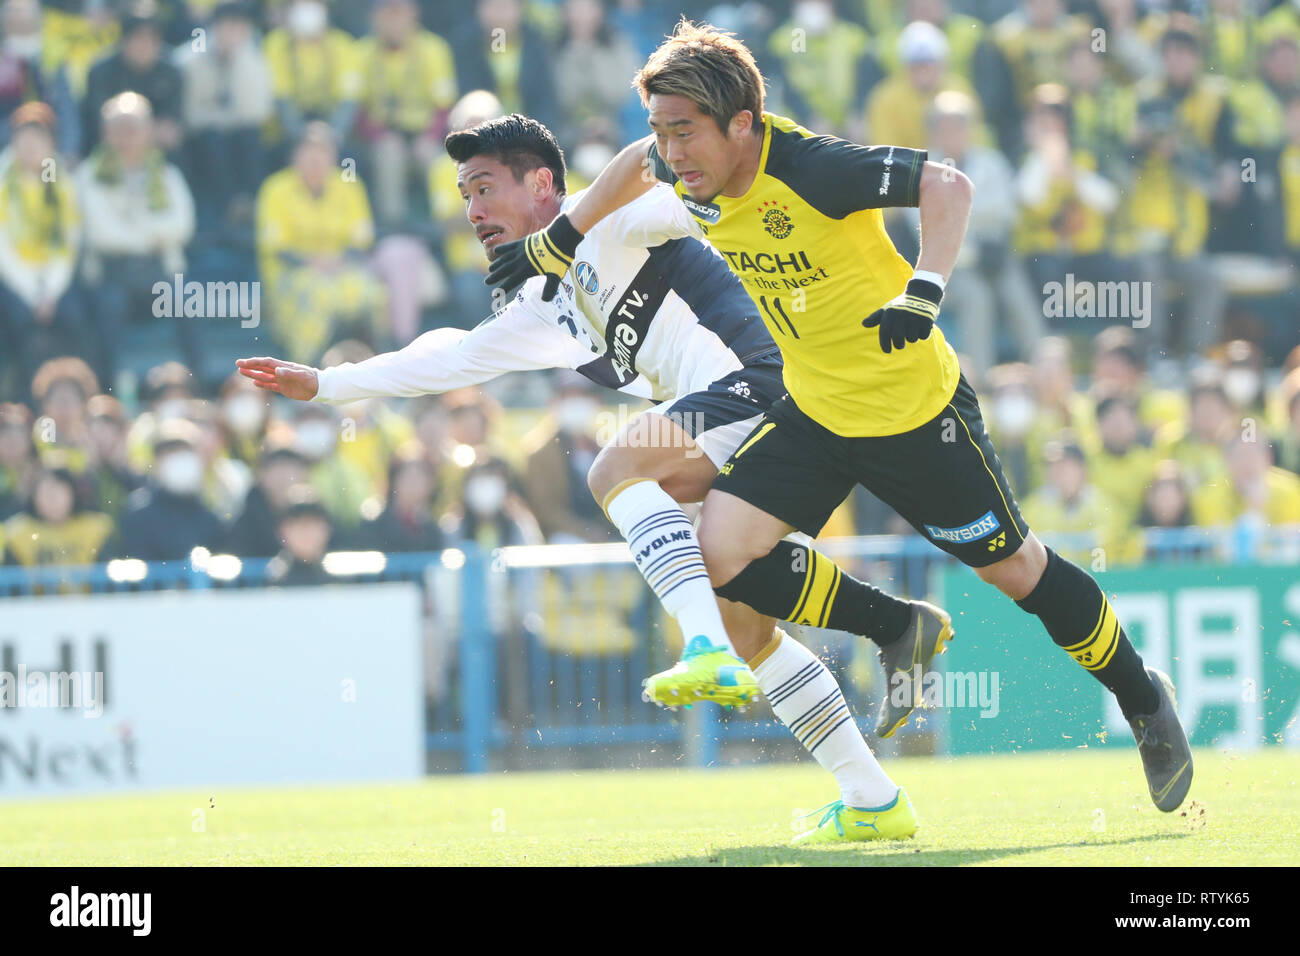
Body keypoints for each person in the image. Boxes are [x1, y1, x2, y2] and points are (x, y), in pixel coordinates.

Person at [487, 20, 1195, 840]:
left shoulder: (811, 167)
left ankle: (1143, 699)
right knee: (720, 556)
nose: (669, 151)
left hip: (912, 413)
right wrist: (562, 237)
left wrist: (924, 289)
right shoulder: (678, 166)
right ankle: (898, 627)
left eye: (684, 131)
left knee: (1018, 571)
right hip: (814, 411)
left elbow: (951, 186)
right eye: (660, 130)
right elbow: (629, 165)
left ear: (742, 124)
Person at [236, 113, 950, 845]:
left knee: (617, 465)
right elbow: (444, 357)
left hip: (769, 383)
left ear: (543, 184)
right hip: (733, 420)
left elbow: (657, 161)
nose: (473, 211)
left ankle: (701, 642)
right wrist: (326, 384)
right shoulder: (540, 309)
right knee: (746, 619)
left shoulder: (622, 221)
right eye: (463, 196)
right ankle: (873, 786)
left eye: (484, 187)